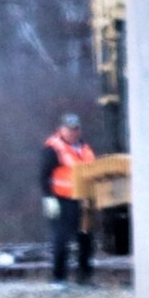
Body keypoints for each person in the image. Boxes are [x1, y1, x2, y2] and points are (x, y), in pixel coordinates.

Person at [41, 113, 97, 285]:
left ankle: (85, 277)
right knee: (61, 239)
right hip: (61, 200)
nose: (74, 132)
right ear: (62, 129)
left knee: (86, 239)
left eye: (76, 129)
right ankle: (59, 278)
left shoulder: (85, 148)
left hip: (83, 201)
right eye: (70, 129)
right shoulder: (54, 148)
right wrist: (48, 198)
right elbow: (44, 176)